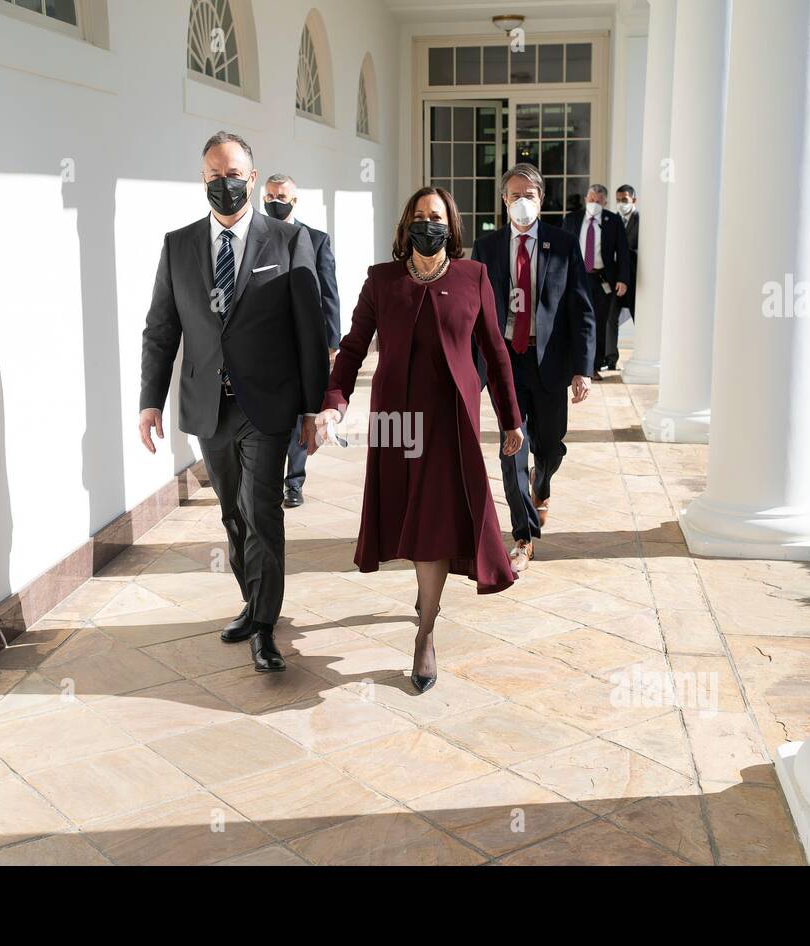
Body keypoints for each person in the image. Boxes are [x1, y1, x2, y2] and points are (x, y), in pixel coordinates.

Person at [315, 187, 523, 694]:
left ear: (450, 227)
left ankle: (425, 632)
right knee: (407, 516)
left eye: (436, 217)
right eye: (419, 216)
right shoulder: (381, 281)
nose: (427, 224)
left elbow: (494, 352)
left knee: (433, 523)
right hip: (396, 422)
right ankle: (425, 596)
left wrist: (511, 418)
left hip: (452, 421)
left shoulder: (473, 277)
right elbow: (352, 349)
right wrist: (333, 402)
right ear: (405, 224)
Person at [139, 132, 327, 673]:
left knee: (263, 510)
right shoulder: (178, 245)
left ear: (252, 175)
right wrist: (150, 400)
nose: (226, 183)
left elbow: (309, 331)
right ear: (204, 181)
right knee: (233, 513)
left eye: (235, 173)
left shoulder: (288, 242)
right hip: (208, 406)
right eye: (214, 176)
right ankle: (253, 600)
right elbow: (161, 328)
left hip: (267, 406)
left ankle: (266, 628)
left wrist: (312, 408)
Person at [470, 163, 593, 572]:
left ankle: (542, 483)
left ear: (541, 199)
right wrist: (470, 374)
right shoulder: (486, 248)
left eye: (530, 194)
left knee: (551, 443)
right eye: (514, 194)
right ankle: (523, 536)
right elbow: (473, 314)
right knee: (512, 449)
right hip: (506, 362)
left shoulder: (562, 244)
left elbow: (580, 307)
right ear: (504, 200)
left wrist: (583, 368)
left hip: (551, 362)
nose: (521, 201)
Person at [261, 173, 342, 509]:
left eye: (281, 196)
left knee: (301, 412)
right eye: (269, 196)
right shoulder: (254, 237)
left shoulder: (317, 239)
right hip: (266, 340)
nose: (274, 202)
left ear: (294, 200)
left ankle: (293, 482)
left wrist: (332, 340)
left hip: (303, 341)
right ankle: (264, 478)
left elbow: (328, 290)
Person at [564, 184, 632, 378]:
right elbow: (562, 250)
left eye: (598, 201)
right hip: (577, 277)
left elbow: (623, 252)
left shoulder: (613, 220)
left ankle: (593, 366)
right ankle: (572, 364)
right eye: (591, 199)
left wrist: (622, 279)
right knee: (576, 319)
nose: (594, 203)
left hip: (602, 279)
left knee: (599, 323)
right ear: (586, 199)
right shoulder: (572, 219)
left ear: (605, 202)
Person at [613, 184, 640, 340]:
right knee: (610, 318)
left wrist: (623, 252)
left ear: (633, 200)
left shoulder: (641, 221)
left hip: (634, 277)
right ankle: (610, 357)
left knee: (637, 314)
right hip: (615, 277)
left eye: (624, 199)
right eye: (618, 200)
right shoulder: (613, 220)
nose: (621, 203)